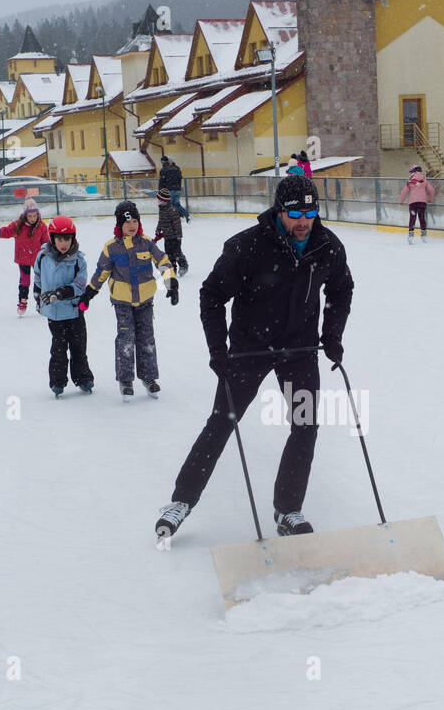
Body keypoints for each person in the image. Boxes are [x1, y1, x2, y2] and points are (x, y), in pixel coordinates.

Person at [154, 175, 353, 541]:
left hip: (299, 351)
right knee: (221, 423)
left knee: (305, 425)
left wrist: (332, 337)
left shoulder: (326, 245)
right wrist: (218, 350)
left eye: (310, 212)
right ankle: (180, 501)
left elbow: (342, 289)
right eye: (295, 213)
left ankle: (287, 509)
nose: (304, 221)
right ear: (280, 211)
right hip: (250, 349)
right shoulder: (248, 247)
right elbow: (211, 295)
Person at [81, 200, 179, 401]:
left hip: (145, 301)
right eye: (127, 222)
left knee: (147, 340)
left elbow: (163, 260)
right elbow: (101, 273)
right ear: (119, 225)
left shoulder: (147, 242)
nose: (132, 225)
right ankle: (125, 380)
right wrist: (90, 292)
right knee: (126, 340)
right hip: (122, 302)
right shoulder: (111, 248)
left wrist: (171, 282)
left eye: (135, 220)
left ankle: (149, 378)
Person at [33, 215, 94, 398]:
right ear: (52, 238)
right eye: (59, 239)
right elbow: (38, 277)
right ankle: (58, 381)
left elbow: (80, 286)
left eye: (67, 238)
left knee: (78, 347)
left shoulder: (78, 260)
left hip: (74, 311)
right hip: (55, 315)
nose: (63, 243)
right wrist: (37, 296)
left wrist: (59, 294)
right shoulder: (43, 256)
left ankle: (83, 378)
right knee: (58, 349)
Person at [0, 197, 49, 315]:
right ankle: (22, 301)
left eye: (34, 215)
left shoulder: (41, 226)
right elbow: (7, 231)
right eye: (30, 216)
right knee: (24, 281)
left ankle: (40, 302)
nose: (32, 218)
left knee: (40, 281)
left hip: (38, 260)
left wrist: (47, 254)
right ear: (25, 215)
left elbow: (45, 242)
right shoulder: (18, 225)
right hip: (23, 259)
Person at [153, 188, 189, 276]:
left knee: (177, 253)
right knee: (169, 254)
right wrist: (158, 229)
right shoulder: (161, 209)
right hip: (167, 236)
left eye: (159, 200)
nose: (158, 201)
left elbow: (177, 223)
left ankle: (183, 266)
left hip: (175, 237)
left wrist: (179, 235)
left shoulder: (172, 210)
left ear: (164, 201)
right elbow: (160, 221)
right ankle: (172, 269)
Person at [399, 164, 436, 244]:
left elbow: (404, 192)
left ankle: (411, 236)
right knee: (422, 218)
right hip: (422, 202)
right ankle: (423, 236)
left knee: (412, 218)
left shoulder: (410, 181)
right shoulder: (424, 180)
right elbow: (432, 190)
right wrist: (429, 199)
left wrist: (401, 201)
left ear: (413, 172)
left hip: (413, 202)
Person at [158, 155, 189, 221]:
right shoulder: (177, 168)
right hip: (177, 189)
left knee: (169, 205)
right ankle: (185, 214)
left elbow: (161, 181)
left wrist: (161, 190)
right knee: (176, 204)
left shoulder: (163, 170)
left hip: (169, 190)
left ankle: (172, 218)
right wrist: (178, 187)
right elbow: (180, 178)